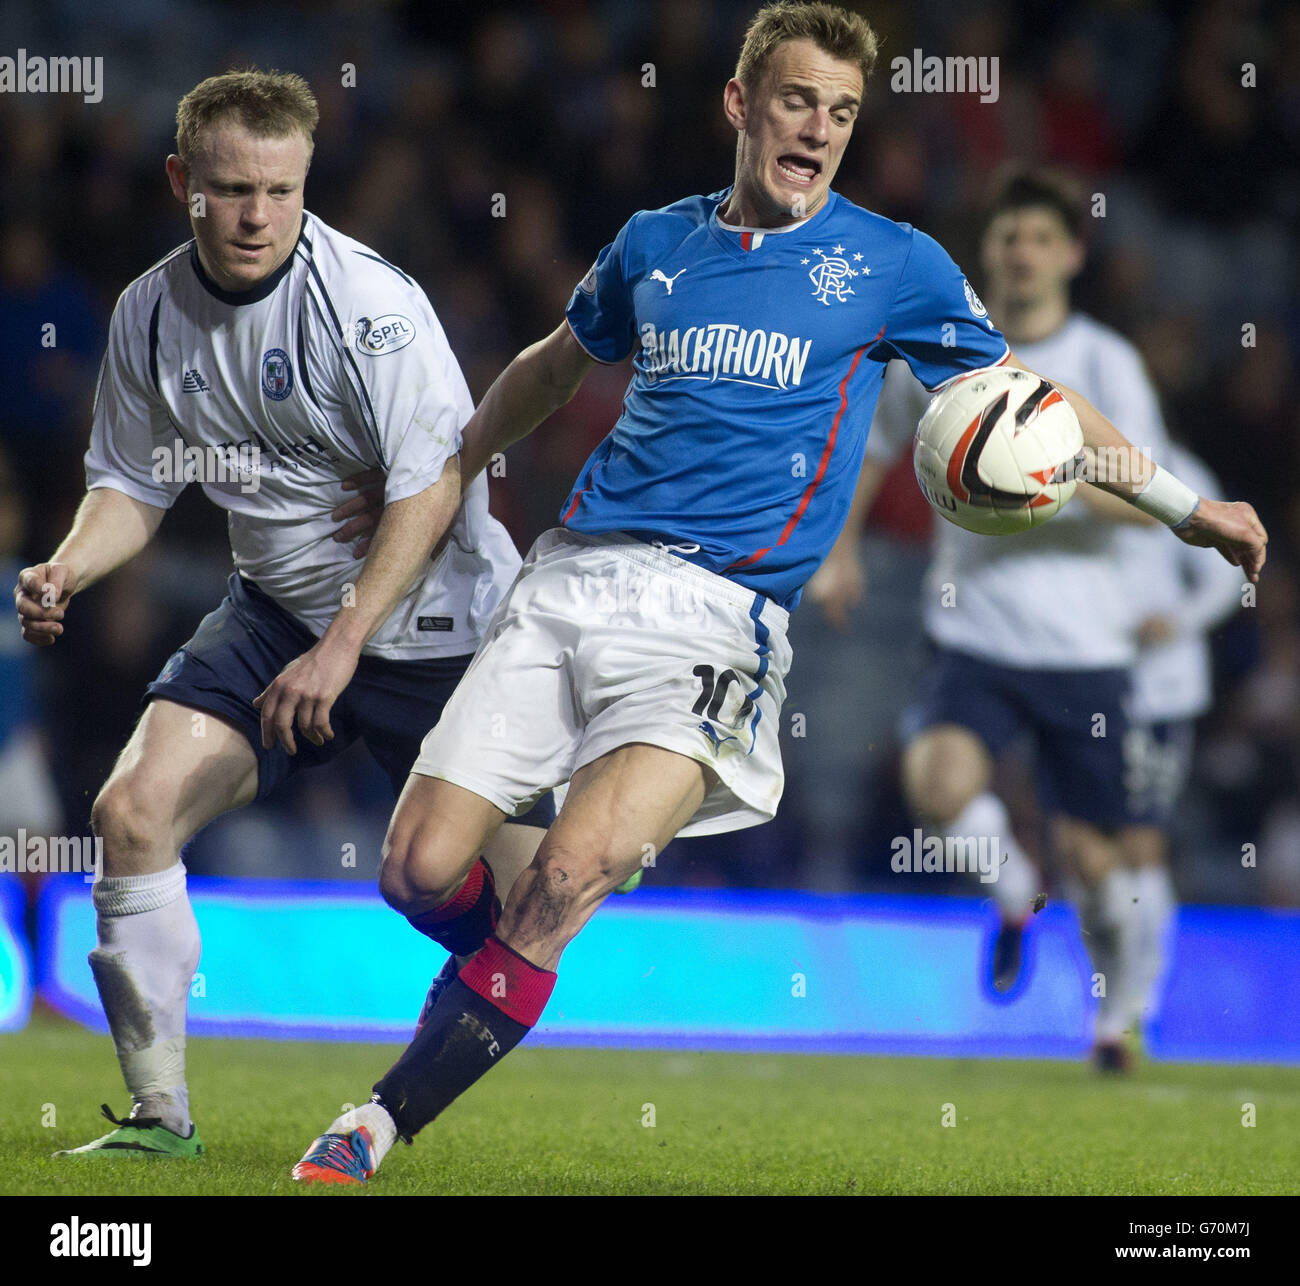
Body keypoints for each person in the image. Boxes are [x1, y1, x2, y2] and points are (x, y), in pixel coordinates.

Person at [293, 4, 1266, 1183]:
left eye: (843, 112)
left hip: (718, 619)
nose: (819, 128)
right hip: (569, 584)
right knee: (413, 869)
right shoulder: (655, 243)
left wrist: (1185, 506)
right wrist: (442, 467)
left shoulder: (895, 264)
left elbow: (1034, 402)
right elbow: (554, 364)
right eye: (799, 100)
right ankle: (514, 933)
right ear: (742, 104)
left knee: (561, 885)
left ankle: (376, 1122)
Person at [14, 69, 551, 1159]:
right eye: (230, 189)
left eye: (279, 189)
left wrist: (346, 644)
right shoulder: (149, 313)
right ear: (182, 183)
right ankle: (160, 1117)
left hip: (437, 632)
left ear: (306, 183)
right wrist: (70, 564)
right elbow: (132, 482)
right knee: (130, 813)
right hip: (273, 612)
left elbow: (434, 487)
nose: (256, 214)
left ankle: (487, 937)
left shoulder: (371, 305)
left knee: (506, 899)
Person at [813, 169, 1218, 1067]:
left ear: (1072, 254)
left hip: (1085, 648)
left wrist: (1038, 481)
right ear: (987, 254)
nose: (1023, 253)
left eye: (1041, 238)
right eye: (1008, 238)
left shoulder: (1106, 363)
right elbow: (873, 453)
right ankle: (1014, 888)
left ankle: (1115, 1019)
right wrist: (840, 551)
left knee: (1102, 862)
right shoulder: (946, 351)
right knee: (936, 781)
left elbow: (1140, 492)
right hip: (974, 634)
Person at [1114, 443, 1243, 1052]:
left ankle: (1143, 999)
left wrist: (1178, 619)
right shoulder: (1057, 456)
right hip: (1080, 677)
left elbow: (1226, 571)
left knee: (1139, 837)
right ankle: (1121, 996)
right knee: (1088, 841)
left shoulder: (1180, 469)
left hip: (1158, 688)